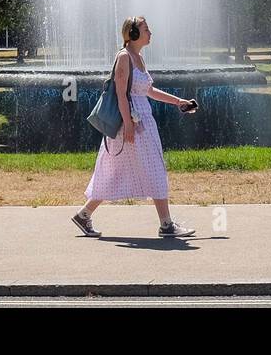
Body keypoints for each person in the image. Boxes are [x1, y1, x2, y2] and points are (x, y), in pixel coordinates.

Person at [72, 16, 200, 238]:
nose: (151, 33)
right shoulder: (124, 58)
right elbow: (121, 94)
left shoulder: (139, 58)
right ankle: (167, 225)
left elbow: (148, 91)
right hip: (130, 124)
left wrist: (178, 102)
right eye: (146, 29)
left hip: (143, 122)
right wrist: (129, 125)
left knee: (118, 171)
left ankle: (84, 215)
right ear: (132, 34)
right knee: (151, 169)